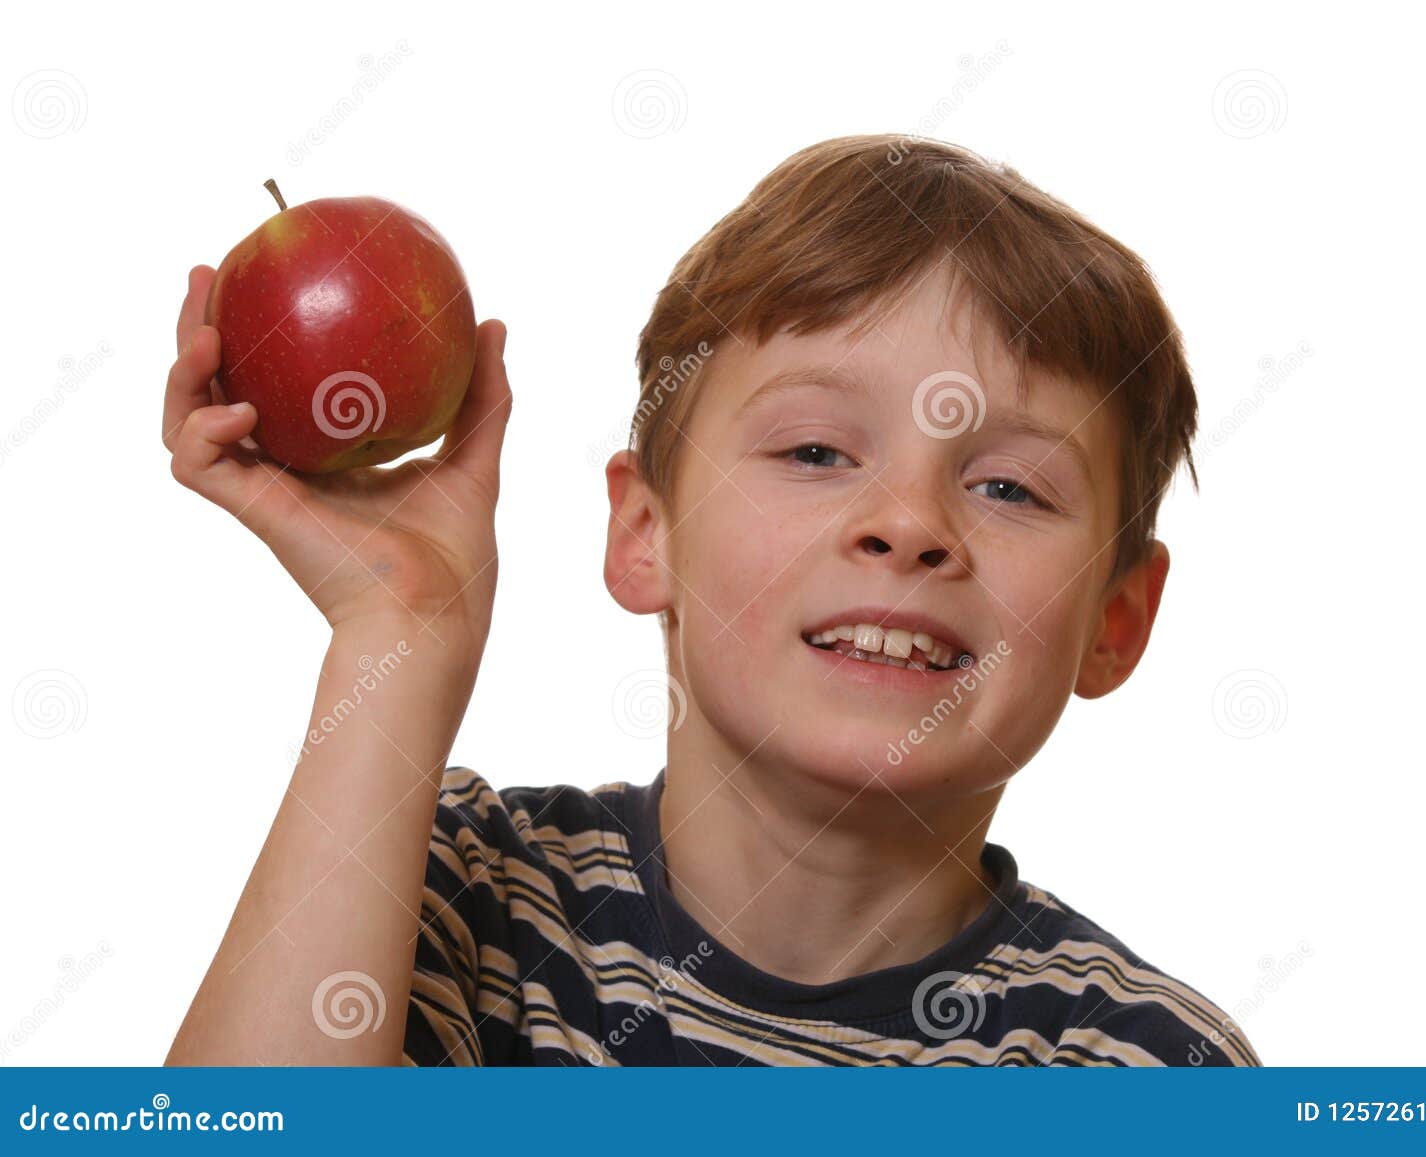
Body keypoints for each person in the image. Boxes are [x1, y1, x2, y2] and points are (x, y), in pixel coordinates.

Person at [163, 133, 1259, 1067]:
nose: (912, 522)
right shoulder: (448, 888)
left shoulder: (1145, 1063)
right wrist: (397, 637)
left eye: (1009, 486)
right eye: (819, 448)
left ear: (1115, 621)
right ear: (648, 534)